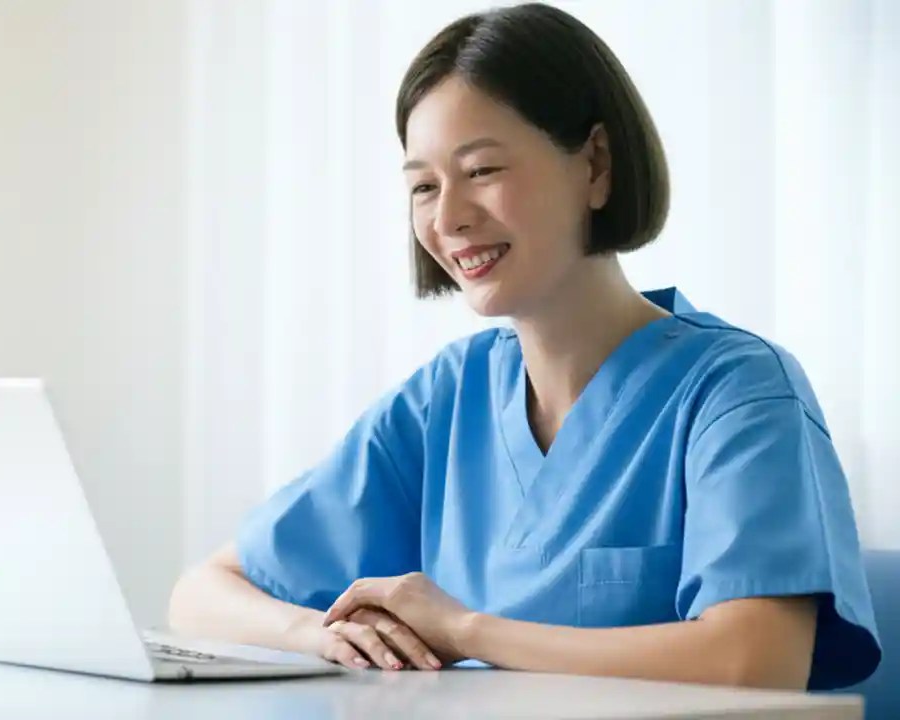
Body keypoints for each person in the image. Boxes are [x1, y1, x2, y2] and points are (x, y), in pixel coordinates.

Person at [167, 2, 880, 691]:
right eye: (423, 187)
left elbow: (758, 660)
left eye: (481, 171)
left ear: (595, 165)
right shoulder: (445, 401)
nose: (448, 217)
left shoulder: (737, 391)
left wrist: (469, 631)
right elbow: (202, 594)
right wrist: (319, 636)